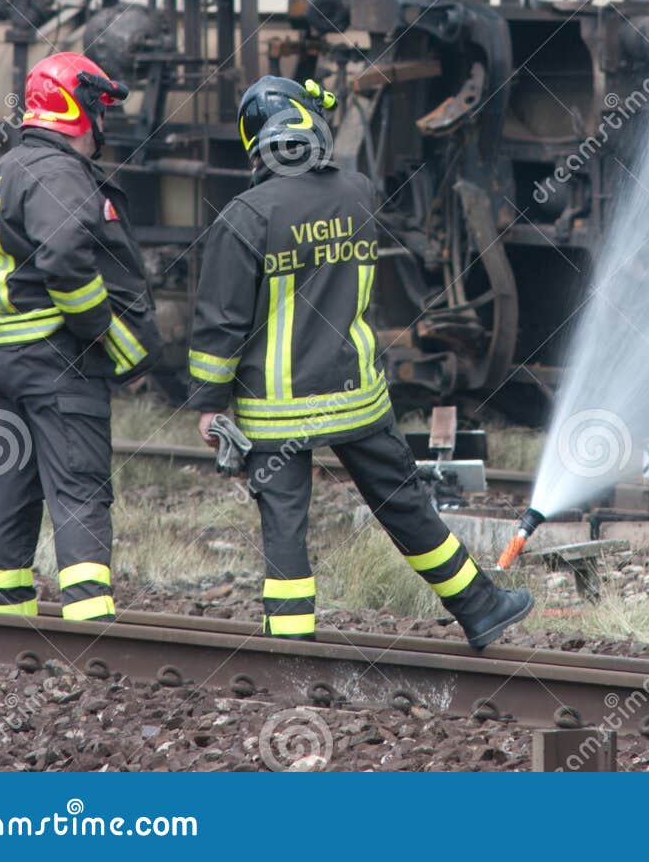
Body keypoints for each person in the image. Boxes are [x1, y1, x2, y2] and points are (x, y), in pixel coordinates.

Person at [188, 74, 532, 650]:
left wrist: (206, 404)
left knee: (286, 531)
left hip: (278, 412)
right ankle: (480, 607)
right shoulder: (359, 193)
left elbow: (220, 323)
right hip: (356, 393)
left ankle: (291, 649)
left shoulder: (245, 216)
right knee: (407, 508)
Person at [0, 51, 161, 621]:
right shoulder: (60, 172)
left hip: (8, 360)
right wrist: (100, 332)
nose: (104, 123)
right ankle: (91, 625)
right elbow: (68, 260)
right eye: (100, 107)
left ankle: (7, 619)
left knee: (14, 488)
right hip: (58, 362)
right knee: (80, 489)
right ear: (78, 108)